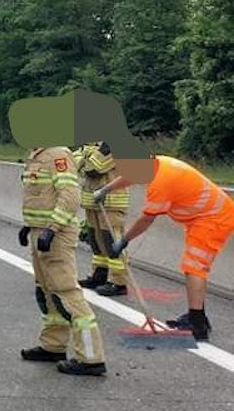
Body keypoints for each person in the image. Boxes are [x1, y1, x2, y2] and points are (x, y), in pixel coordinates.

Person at [98, 155, 234, 341]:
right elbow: (130, 176)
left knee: (194, 267)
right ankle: (197, 317)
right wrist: (105, 190)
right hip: (204, 216)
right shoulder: (156, 164)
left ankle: (197, 325)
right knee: (193, 266)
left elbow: (146, 220)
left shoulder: (161, 183)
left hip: (214, 219)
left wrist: (124, 240)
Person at [17, 145, 107, 376]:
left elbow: (69, 195)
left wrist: (53, 228)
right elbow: (42, 196)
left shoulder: (58, 155)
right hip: (41, 230)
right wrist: (29, 226)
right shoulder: (36, 155)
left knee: (66, 293)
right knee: (46, 292)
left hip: (56, 233)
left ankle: (90, 358)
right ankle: (53, 345)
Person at [72, 142, 130, 295]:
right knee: (96, 240)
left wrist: (85, 159)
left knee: (111, 240)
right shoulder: (90, 145)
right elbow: (74, 161)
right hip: (92, 201)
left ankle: (119, 282)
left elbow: (94, 169)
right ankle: (100, 274)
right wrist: (86, 159)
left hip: (111, 201)